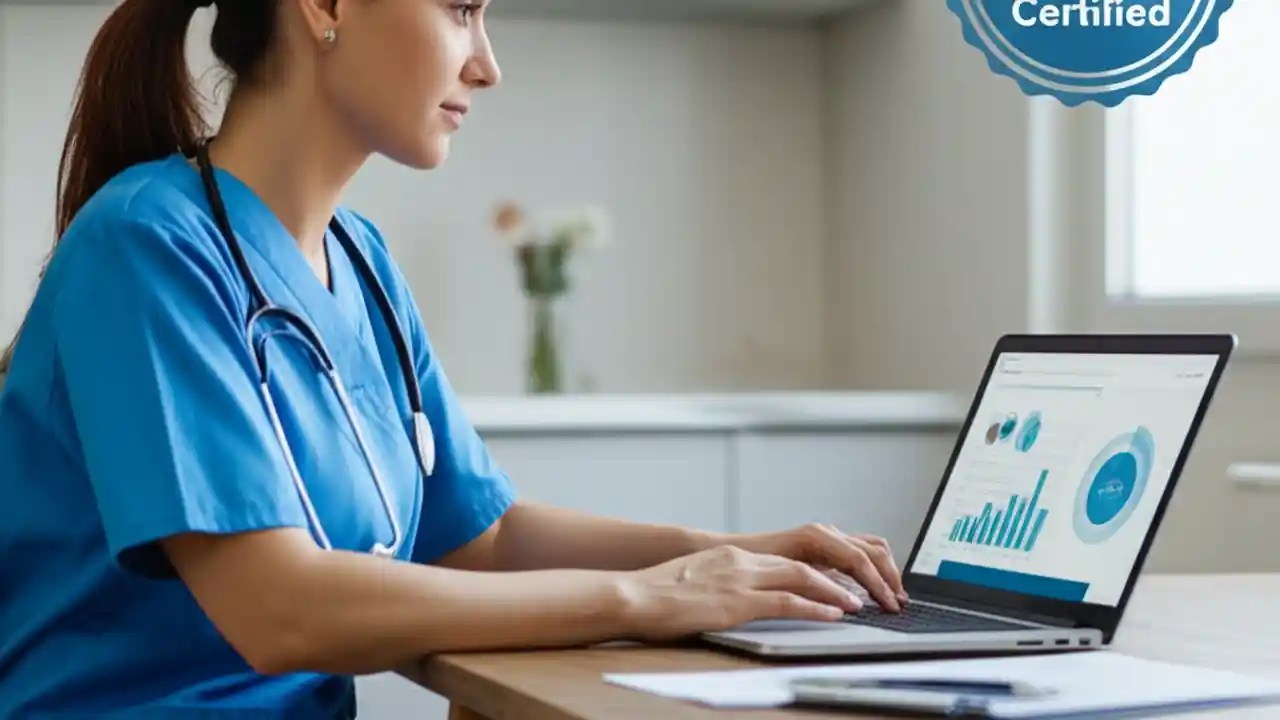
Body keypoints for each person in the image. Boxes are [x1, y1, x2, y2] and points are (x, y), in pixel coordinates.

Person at [0, 0, 908, 717]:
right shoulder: (146, 243)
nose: (487, 62)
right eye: (461, 9)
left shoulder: (360, 260)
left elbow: (479, 537)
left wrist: (731, 555)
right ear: (326, 5)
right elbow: (280, 609)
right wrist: (647, 598)